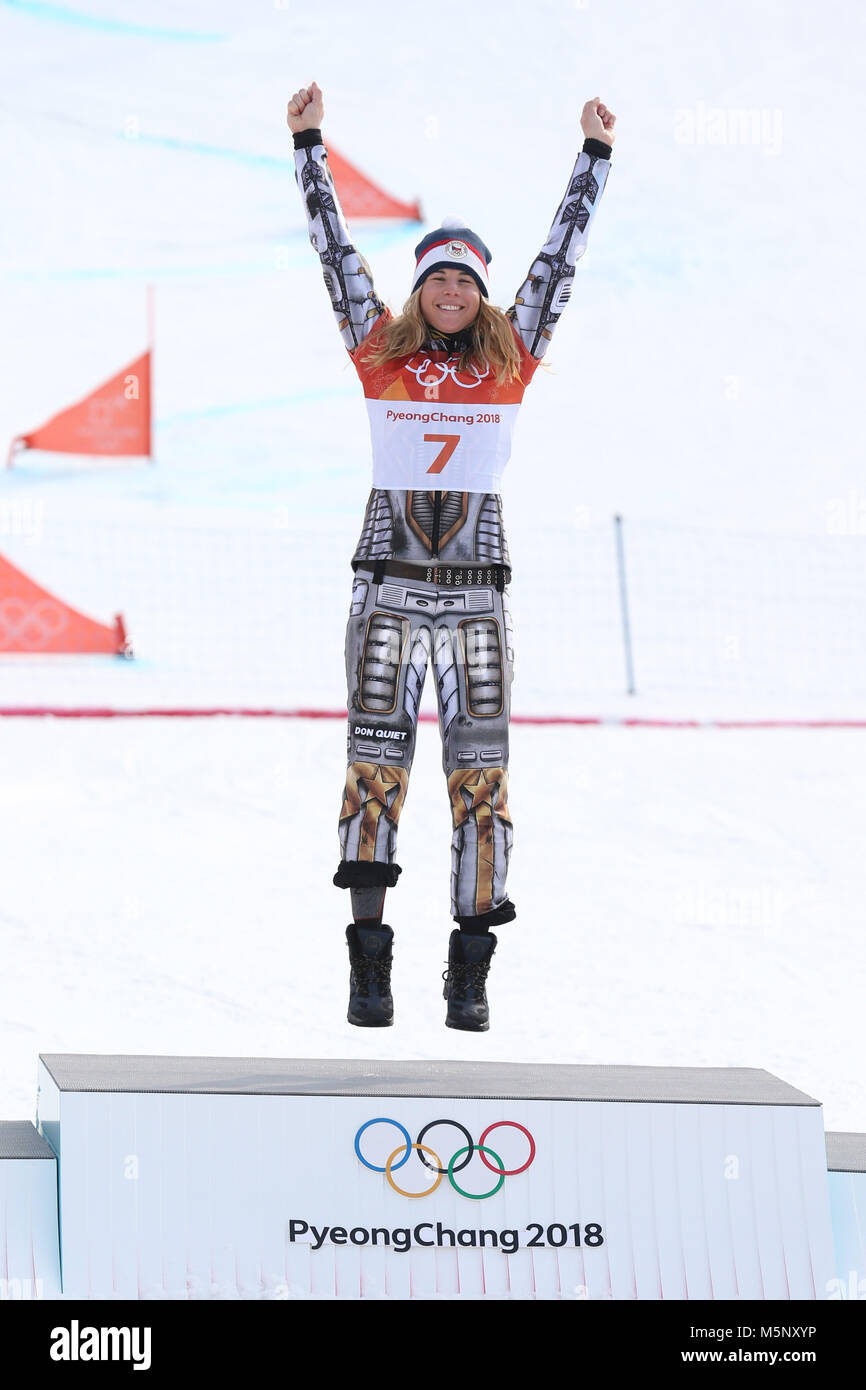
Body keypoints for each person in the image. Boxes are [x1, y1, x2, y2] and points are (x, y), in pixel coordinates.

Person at [287, 81, 615, 1031]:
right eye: (438, 276)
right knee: (373, 772)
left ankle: (468, 974)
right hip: (386, 588)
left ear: (481, 297)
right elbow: (333, 250)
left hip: (476, 596)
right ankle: (368, 970)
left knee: (481, 781)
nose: (451, 290)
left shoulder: (508, 361)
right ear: (419, 287)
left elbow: (559, 266)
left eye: (467, 280)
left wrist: (592, 158)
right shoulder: (376, 353)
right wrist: (310, 142)